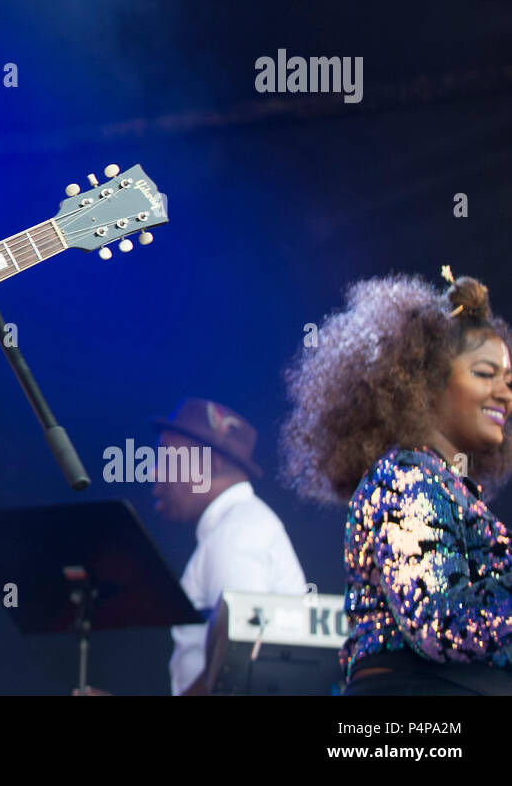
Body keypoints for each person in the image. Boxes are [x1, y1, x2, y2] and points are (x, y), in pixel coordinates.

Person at [280, 270, 512, 695]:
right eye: (485, 374)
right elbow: (442, 623)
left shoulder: (446, 486)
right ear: (427, 383)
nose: (505, 394)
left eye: (509, 381)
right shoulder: (406, 478)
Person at [151, 397, 306, 695]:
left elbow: (236, 669)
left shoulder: (235, 533)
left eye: (166, 457)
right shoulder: (237, 526)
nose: (155, 472)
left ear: (209, 463)